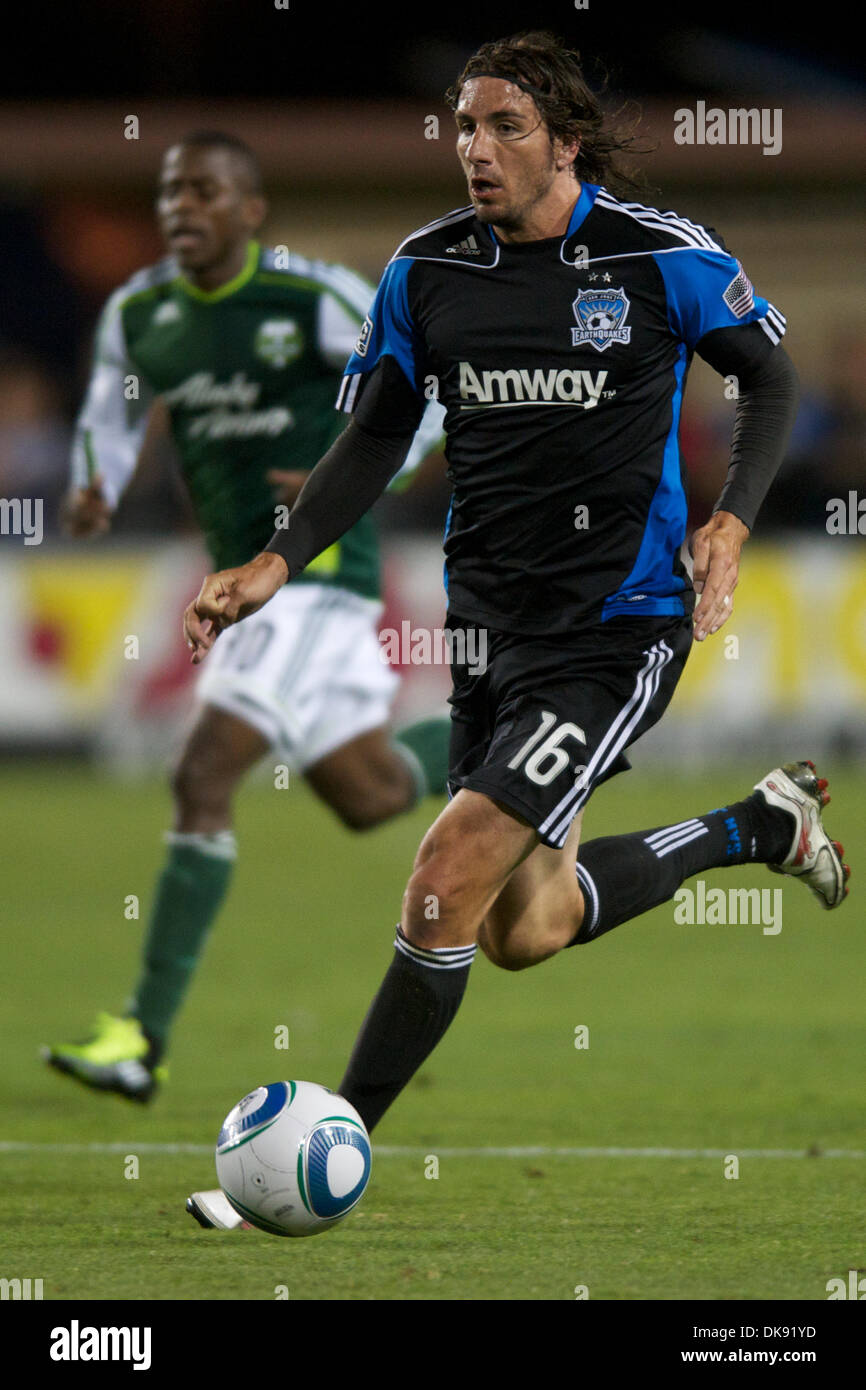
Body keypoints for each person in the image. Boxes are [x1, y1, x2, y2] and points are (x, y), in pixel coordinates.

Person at [181, 34, 850, 1148]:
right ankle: (754, 827)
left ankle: (324, 1147)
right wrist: (273, 561)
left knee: (442, 874)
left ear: (564, 142)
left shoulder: (659, 258)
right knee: (523, 925)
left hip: (616, 630)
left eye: (504, 127)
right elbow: (375, 435)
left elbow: (768, 375)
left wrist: (727, 521)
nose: (475, 151)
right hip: (488, 633)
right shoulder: (424, 273)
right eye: (462, 127)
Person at [43, 132, 449, 1103]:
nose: (183, 206)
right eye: (171, 191)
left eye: (205, 190)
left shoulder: (310, 298)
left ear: (250, 210)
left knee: (201, 769)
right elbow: (106, 402)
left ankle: (141, 1037)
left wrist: (367, 470)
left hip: (307, 571)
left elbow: (419, 388)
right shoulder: (142, 313)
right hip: (242, 580)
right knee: (370, 794)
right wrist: (93, 480)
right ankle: (493, 736)